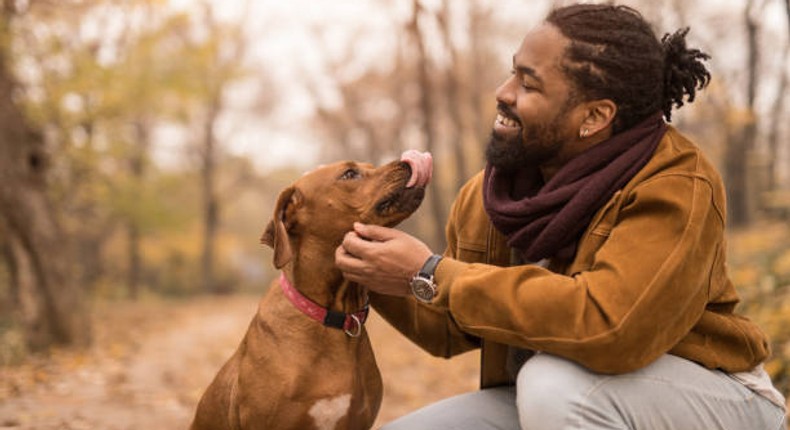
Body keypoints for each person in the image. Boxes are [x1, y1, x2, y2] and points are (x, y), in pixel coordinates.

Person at [335, 3, 787, 429]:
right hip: (560, 398)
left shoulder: (675, 183)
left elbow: (610, 326)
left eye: (529, 84)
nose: (503, 92)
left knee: (553, 384)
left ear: (593, 116)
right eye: (513, 72)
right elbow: (447, 329)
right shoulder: (494, 195)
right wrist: (372, 267)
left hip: (715, 398)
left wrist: (433, 272)